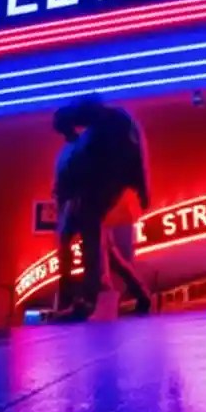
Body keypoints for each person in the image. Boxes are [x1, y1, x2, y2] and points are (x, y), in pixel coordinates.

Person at [55, 94, 153, 321]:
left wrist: (142, 188)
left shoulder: (115, 121)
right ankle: (139, 292)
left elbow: (137, 154)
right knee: (104, 248)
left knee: (91, 234)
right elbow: (76, 170)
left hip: (104, 186)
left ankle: (89, 299)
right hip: (93, 190)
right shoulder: (92, 132)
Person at [51, 116, 82, 311]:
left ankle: (69, 298)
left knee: (69, 251)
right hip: (67, 203)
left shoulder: (79, 147)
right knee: (66, 252)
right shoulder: (67, 150)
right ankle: (67, 298)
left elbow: (80, 175)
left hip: (76, 202)